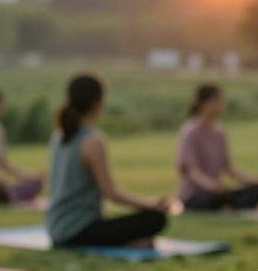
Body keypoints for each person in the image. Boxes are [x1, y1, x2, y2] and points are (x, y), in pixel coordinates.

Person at [45, 73, 173, 248]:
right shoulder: (92, 141)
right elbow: (110, 193)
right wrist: (150, 205)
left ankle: (132, 242)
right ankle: (130, 243)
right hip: (79, 231)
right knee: (155, 219)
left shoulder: (58, 135)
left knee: (138, 226)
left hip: (55, 228)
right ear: (98, 102)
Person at [176, 84, 258, 211]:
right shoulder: (190, 131)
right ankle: (232, 204)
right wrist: (211, 185)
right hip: (197, 194)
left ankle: (231, 203)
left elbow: (229, 168)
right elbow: (191, 170)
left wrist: (256, 180)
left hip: (218, 190)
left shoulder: (219, 132)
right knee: (214, 197)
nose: (220, 106)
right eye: (215, 102)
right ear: (203, 104)